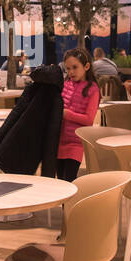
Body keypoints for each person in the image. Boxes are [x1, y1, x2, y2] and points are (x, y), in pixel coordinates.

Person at [56, 48, 101, 181]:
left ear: (86, 66)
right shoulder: (65, 85)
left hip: (75, 144)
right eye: (68, 68)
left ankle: (71, 203)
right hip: (58, 142)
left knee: (69, 180)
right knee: (60, 182)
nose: (71, 72)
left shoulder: (93, 90)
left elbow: (88, 120)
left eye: (75, 67)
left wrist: (66, 114)